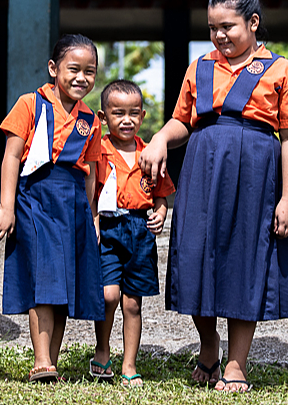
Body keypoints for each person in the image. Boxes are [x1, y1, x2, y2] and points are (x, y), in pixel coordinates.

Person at [139, 0, 288, 393]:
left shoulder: (281, 70)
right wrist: (160, 138)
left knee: (243, 261)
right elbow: (183, 121)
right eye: (213, 27)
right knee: (194, 254)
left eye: (228, 26)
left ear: (253, 23)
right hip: (201, 169)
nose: (219, 35)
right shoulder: (200, 67)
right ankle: (209, 344)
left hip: (255, 174)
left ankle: (235, 364)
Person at [0, 34, 105, 383]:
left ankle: (50, 362)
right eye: (73, 69)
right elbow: (10, 158)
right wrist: (7, 208)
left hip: (73, 204)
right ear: (53, 69)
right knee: (44, 278)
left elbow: (91, 174)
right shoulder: (30, 104)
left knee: (64, 282)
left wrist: (93, 216)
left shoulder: (91, 120)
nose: (82, 78)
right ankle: (40, 358)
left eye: (90, 72)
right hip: (35, 198)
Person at [90, 79, 174, 387]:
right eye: (118, 113)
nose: (126, 120)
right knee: (109, 295)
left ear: (142, 116)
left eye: (133, 113)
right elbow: (91, 191)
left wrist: (161, 214)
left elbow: (162, 195)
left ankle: (128, 365)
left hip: (140, 231)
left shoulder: (150, 153)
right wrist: (95, 220)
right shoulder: (98, 150)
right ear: (103, 117)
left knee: (132, 303)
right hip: (109, 228)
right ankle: (102, 350)